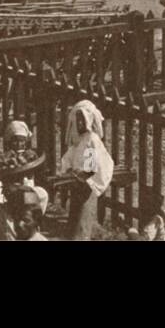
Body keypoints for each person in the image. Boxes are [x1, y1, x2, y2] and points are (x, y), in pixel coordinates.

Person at [0, 119, 50, 240]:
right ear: (9, 141)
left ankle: (30, 227)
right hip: (11, 191)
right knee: (8, 218)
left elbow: (37, 171)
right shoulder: (5, 156)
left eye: (22, 141)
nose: (19, 144)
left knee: (31, 206)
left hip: (27, 189)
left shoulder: (30, 154)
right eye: (15, 141)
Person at [57, 100, 115, 241]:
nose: (80, 124)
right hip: (78, 181)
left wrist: (82, 175)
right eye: (77, 121)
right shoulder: (79, 141)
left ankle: (83, 236)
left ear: (90, 120)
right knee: (75, 211)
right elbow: (69, 157)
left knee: (84, 213)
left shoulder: (91, 139)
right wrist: (69, 169)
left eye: (83, 120)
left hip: (88, 183)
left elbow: (91, 166)